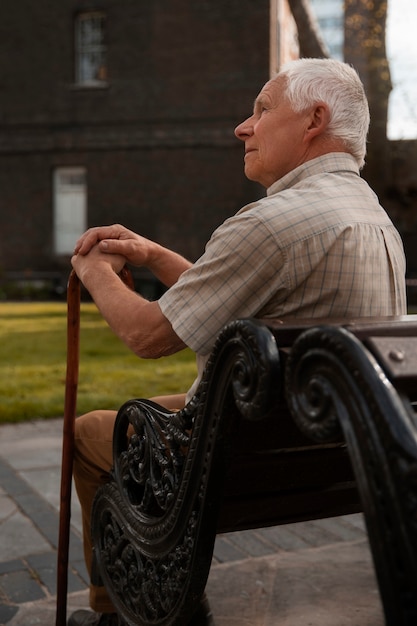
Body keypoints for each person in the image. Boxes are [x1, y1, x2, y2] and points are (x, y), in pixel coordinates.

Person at [67, 58, 407, 626]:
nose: (242, 128)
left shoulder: (272, 222)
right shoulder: (375, 220)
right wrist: (154, 257)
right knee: (157, 421)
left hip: (225, 457)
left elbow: (149, 335)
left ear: (314, 119)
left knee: (87, 434)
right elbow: (228, 299)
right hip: (329, 448)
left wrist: (92, 269)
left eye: (262, 110)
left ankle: (123, 611)